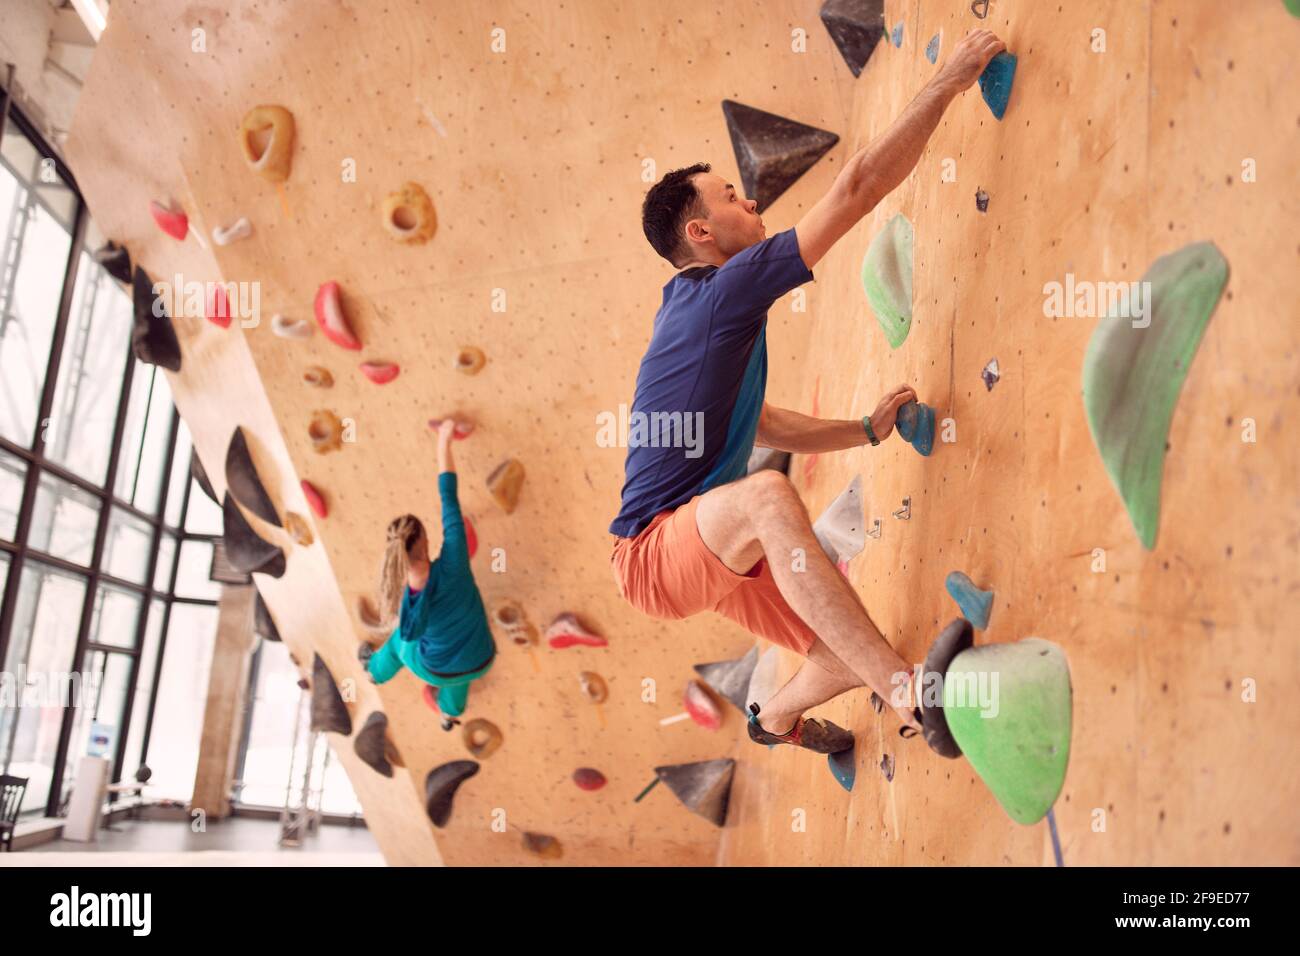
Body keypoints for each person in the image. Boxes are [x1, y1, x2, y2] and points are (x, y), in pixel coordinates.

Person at [609, 30, 1007, 754]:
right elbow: (855, 189)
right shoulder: (723, 295)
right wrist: (947, 83)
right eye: (732, 196)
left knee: (844, 641)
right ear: (700, 232)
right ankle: (912, 695)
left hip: (704, 538)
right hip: (653, 555)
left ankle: (775, 718)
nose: (750, 196)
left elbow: (760, 422)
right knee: (766, 497)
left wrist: (863, 429)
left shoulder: (695, 311)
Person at [367, 419, 495, 730]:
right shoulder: (455, 560)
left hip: (437, 669)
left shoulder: (406, 603)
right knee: (455, 667)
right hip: (482, 657)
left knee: (400, 642)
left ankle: (374, 672)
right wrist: (444, 440)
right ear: (426, 541)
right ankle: (449, 714)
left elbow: (410, 629)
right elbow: (449, 497)